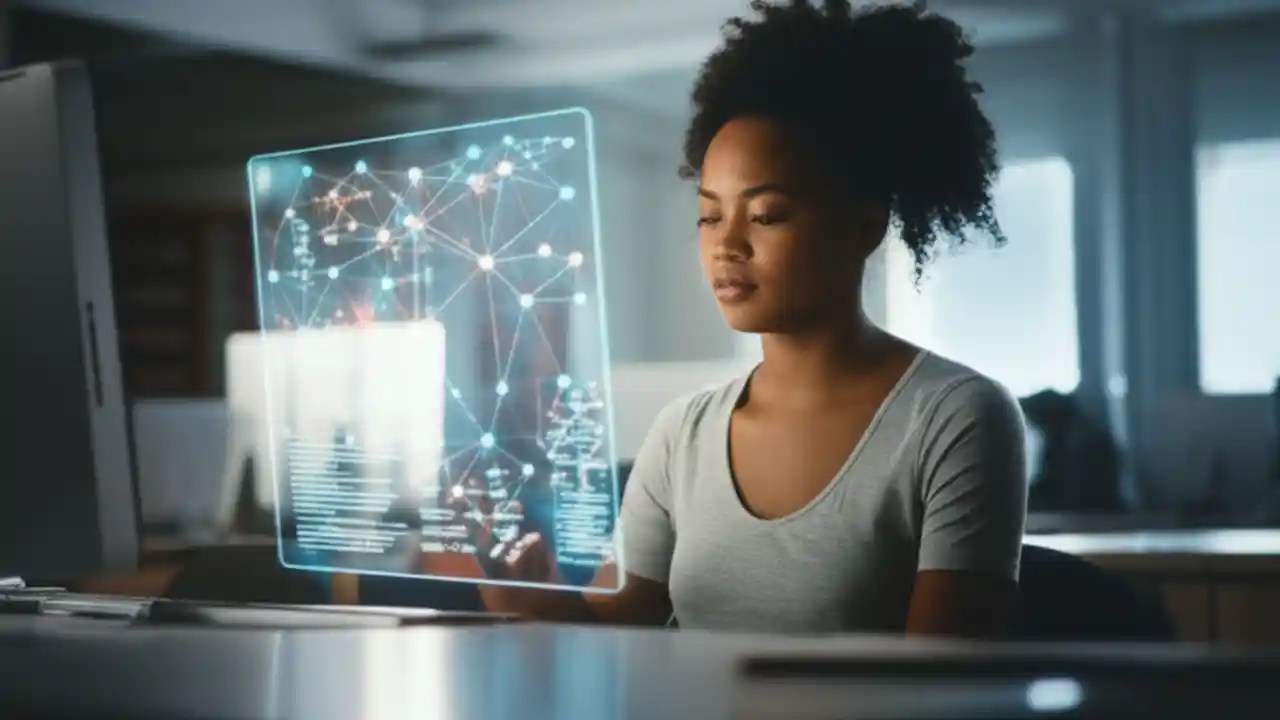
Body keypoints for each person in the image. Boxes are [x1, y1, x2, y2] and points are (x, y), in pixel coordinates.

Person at [477, 0, 1028, 636]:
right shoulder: (681, 433)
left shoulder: (957, 418)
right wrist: (522, 589)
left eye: (766, 215)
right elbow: (619, 641)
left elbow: (944, 680)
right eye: (709, 215)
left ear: (863, 227)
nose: (726, 245)